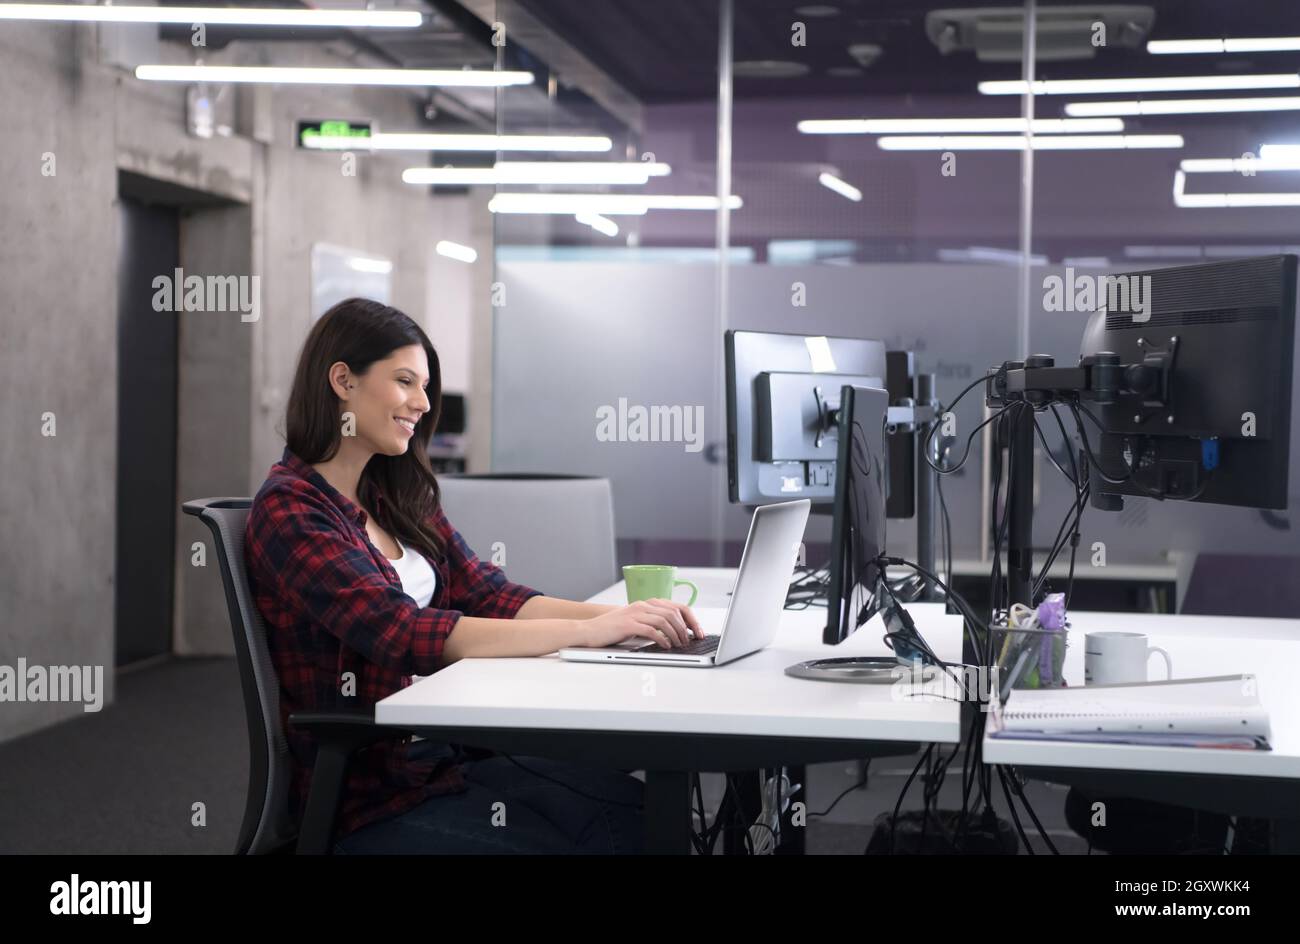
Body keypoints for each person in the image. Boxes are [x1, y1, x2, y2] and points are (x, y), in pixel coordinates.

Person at [244, 297, 703, 853]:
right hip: (373, 794)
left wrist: (625, 619)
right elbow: (405, 633)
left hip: (451, 759)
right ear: (343, 380)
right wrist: (589, 633)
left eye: (425, 386)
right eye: (405, 381)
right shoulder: (291, 511)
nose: (422, 402)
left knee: (640, 815)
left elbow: (489, 594)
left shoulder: (393, 495)